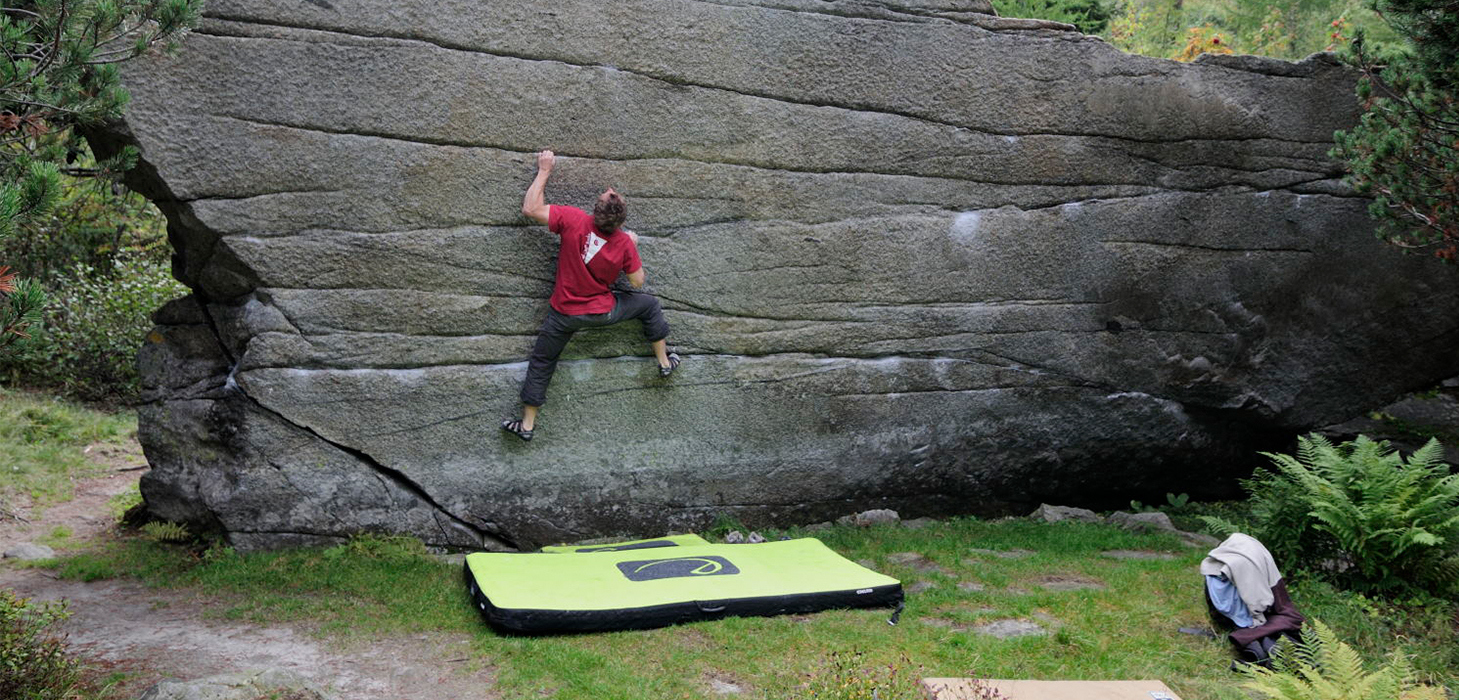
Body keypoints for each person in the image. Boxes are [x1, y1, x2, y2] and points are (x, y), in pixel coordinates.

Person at [500, 149, 680, 442]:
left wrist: (544, 170)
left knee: (543, 361)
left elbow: (530, 208)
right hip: (602, 312)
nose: (610, 189)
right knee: (648, 305)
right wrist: (631, 246)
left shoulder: (573, 220)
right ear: (620, 221)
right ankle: (664, 362)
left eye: (611, 194)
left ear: (595, 211)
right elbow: (637, 282)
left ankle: (528, 426)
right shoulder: (623, 242)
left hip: (563, 315)